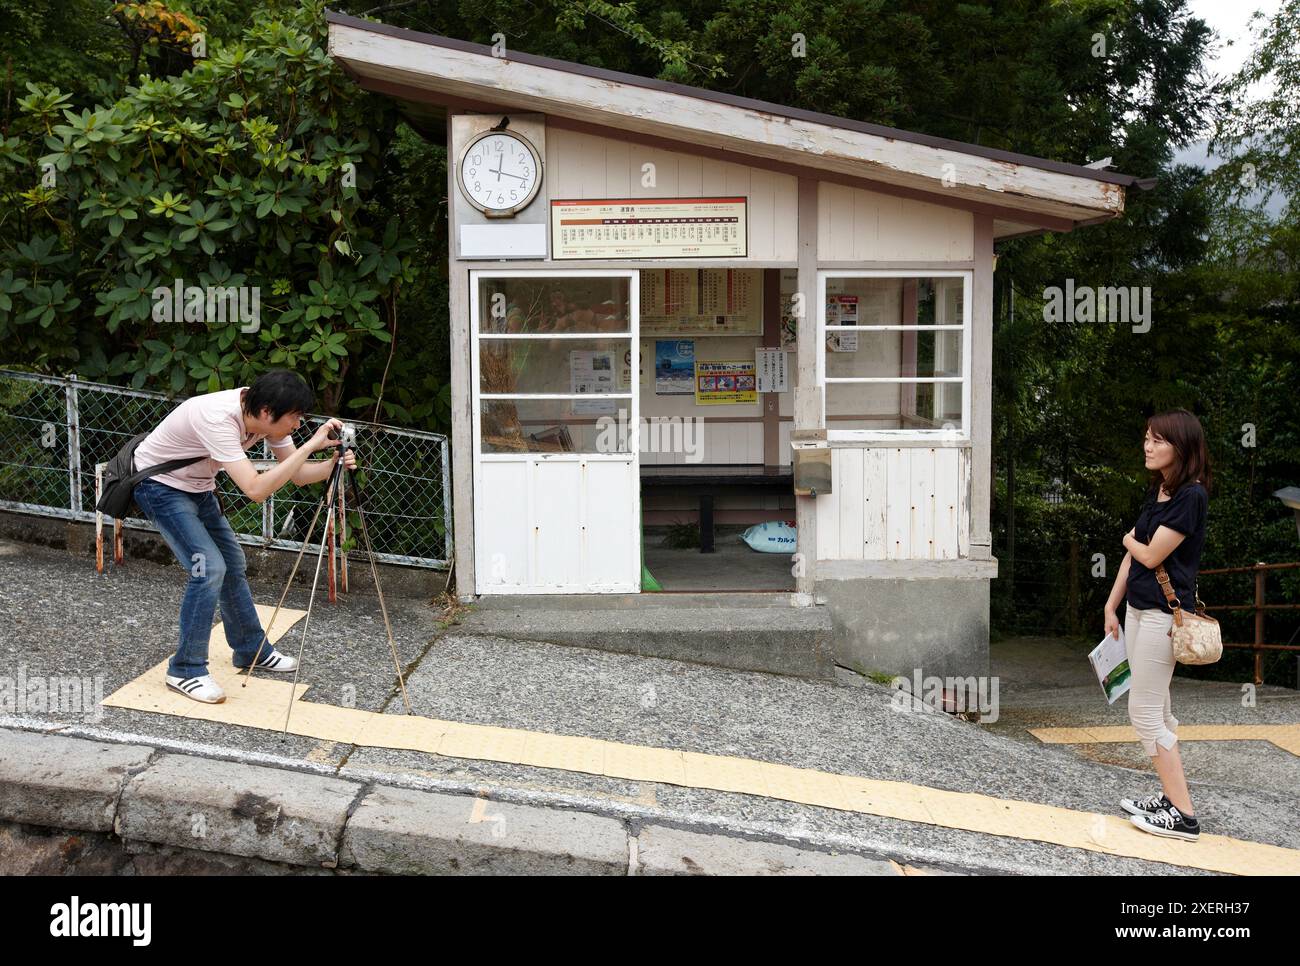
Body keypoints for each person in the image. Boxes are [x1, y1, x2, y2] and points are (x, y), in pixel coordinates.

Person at [131, 370, 356, 704]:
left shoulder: (265, 414)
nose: (298, 425)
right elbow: (255, 490)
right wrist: (311, 445)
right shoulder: (218, 418)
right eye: (295, 418)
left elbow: (297, 475)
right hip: (160, 488)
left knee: (232, 564)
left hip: (199, 488)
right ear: (267, 412)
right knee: (208, 569)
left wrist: (332, 464)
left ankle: (251, 650)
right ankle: (185, 670)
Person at [1102, 408, 1211, 841]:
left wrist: (1127, 538)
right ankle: (1171, 798)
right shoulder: (1161, 490)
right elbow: (1133, 558)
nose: (1147, 446)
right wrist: (1111, 605)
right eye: (1147, 438)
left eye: (1158, 440)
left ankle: (1184, 815)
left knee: (1144, 713)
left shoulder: (1191, 496)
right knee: (1159, 711)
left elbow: (1147, 554)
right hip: (1137, 610)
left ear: (1181, 447)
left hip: (1163, 618)